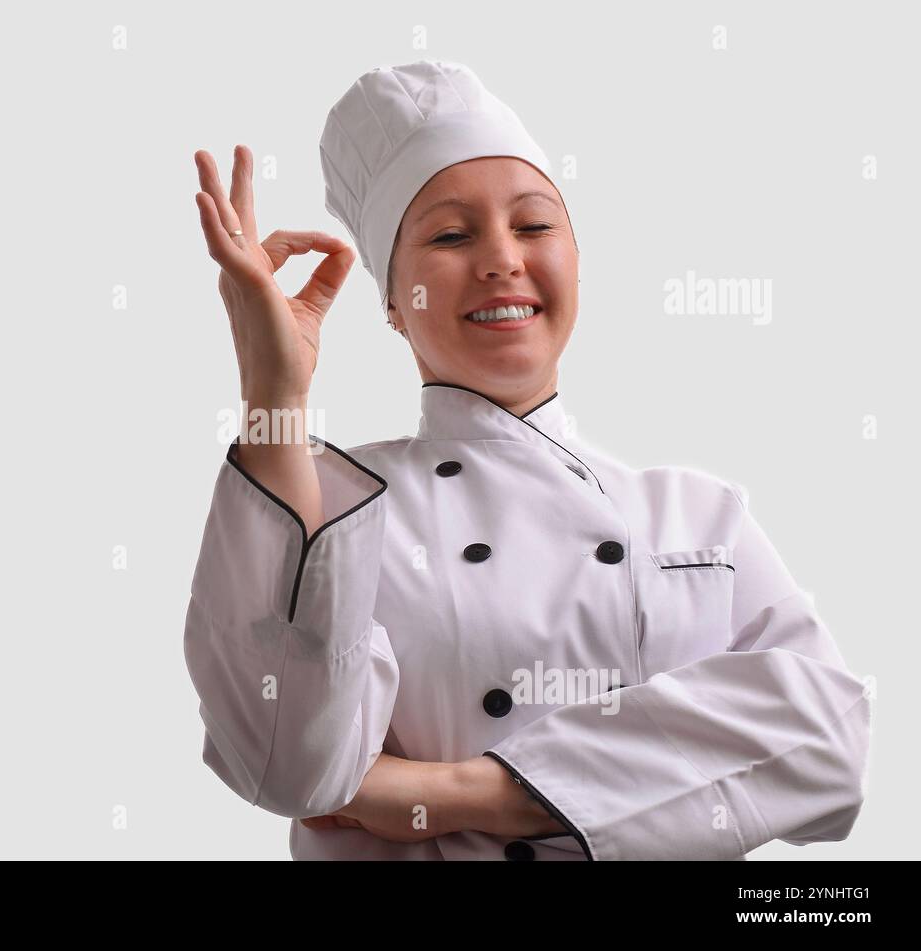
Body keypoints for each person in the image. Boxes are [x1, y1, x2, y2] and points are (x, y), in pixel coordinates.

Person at [184, 60, 871, 860]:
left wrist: (453, 793)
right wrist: (274, 387)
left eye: (535, 225)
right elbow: (288, 761)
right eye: (449, 234)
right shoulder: (344, 505)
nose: (502, 258)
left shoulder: (696, 512)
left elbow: (830, 740)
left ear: (576, 260)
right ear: (392, 302)